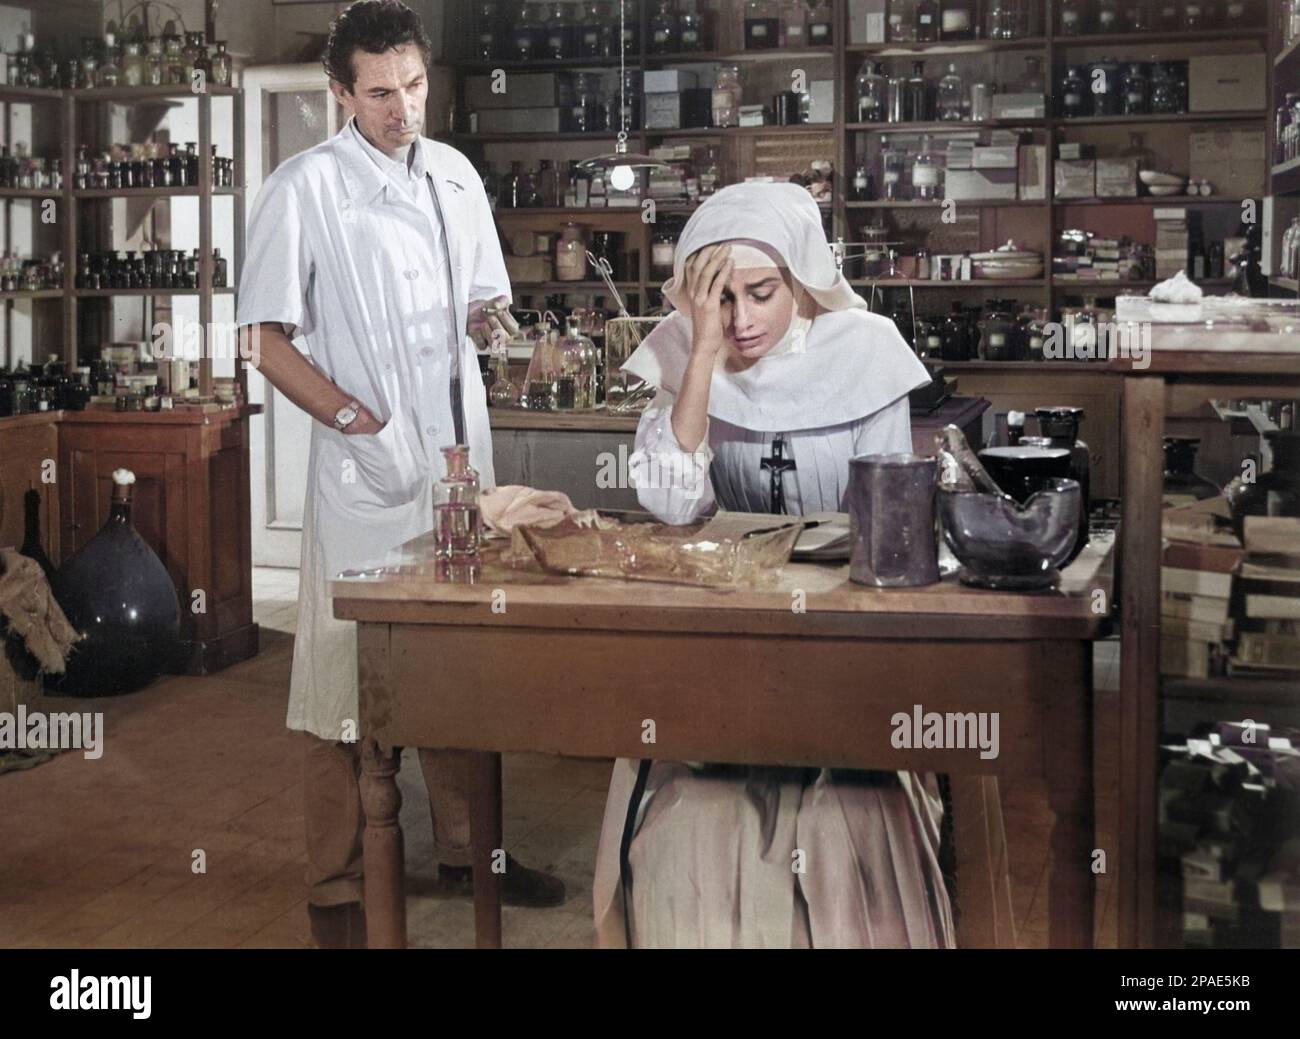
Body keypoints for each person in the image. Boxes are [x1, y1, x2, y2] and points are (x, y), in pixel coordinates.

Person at [236, 0, 562, 949]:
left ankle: (469, 851)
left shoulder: (455, 177)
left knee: (458, 664)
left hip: (458, 469)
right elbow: (263, 339)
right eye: (379, 93)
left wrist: (512, 340)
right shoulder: (303, 189)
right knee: (343, 683)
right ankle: (337, 884)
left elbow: (481, 307)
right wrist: (358, 421)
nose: (401, 109)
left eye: (414, 87)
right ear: (340, 93)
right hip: (366, 476)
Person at [590, 181, 955, 948]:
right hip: (728, 630)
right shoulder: (694, 350)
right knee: (694, 819)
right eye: (719, 298)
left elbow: (887, 521)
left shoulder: (867, 350)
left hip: (846, 633)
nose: (742, 319)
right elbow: (665, 499)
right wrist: (699, 356)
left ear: (801, 278)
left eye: (760, 292)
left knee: (842, 815)